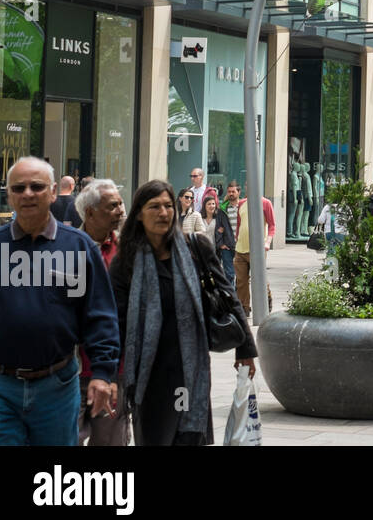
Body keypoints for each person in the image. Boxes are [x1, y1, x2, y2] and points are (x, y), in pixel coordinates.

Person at [0, 158, 118, 445]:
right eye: (19, 187)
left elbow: (100, 314)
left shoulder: (78, 246)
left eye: (37, 186)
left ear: (54, 192)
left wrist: (103, 373)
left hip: (57, 387)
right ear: (9, 194)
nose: (28, 193)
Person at [110, 180, 256, 445]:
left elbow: (228, 297)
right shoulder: (126, 261)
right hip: (150, 375)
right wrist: (109, 373)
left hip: (190, 369)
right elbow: (116, 322)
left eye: (168, 206)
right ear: (139, 214)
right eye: (154, 207)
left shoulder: (195, 248)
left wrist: (245, 349)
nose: (164, 213)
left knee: (190, 437)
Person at [72, 179, 130, 445]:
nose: (121, 210)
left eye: (120, 204)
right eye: (113, 206)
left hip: (111, 373)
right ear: (90, 212)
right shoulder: (65, 248)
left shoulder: (126, 253)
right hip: (68, 373)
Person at [234, 190, 275, 316]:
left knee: (260, 279)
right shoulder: (241, 203)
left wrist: (267, 242)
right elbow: (239, 225)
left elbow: (272, 226)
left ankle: (266, 299)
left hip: (257, 249)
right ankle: (244, 308)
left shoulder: (265, 203)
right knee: (240, 281)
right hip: (240, 248)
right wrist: (236, 240)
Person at [210, 188, 236, 282]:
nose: (231, 194)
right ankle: (230, 294)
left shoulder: (242, 207)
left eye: (233, 192)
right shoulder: (222, 209)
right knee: (229, 273)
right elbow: (218, 228)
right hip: (226, 245)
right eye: (229, 192)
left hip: (240, 245)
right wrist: (221, 244)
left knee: (239, 274)